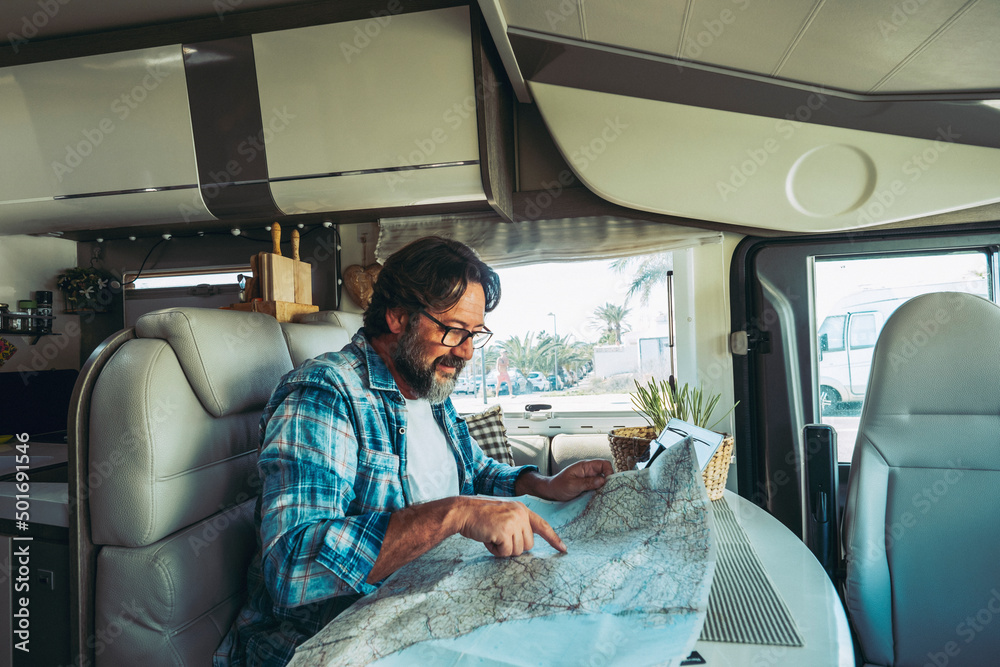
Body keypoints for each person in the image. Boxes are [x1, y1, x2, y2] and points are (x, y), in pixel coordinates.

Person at [215, 236, 612, 667]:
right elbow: (292, 564)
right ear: (399, 316)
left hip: (423, 611)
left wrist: (542, 484)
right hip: (326, 643)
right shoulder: (324, 394)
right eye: (453, 330)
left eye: (474, 334)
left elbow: (475, 472)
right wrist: (456, 514)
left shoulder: (428, 388)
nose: (465, 351)